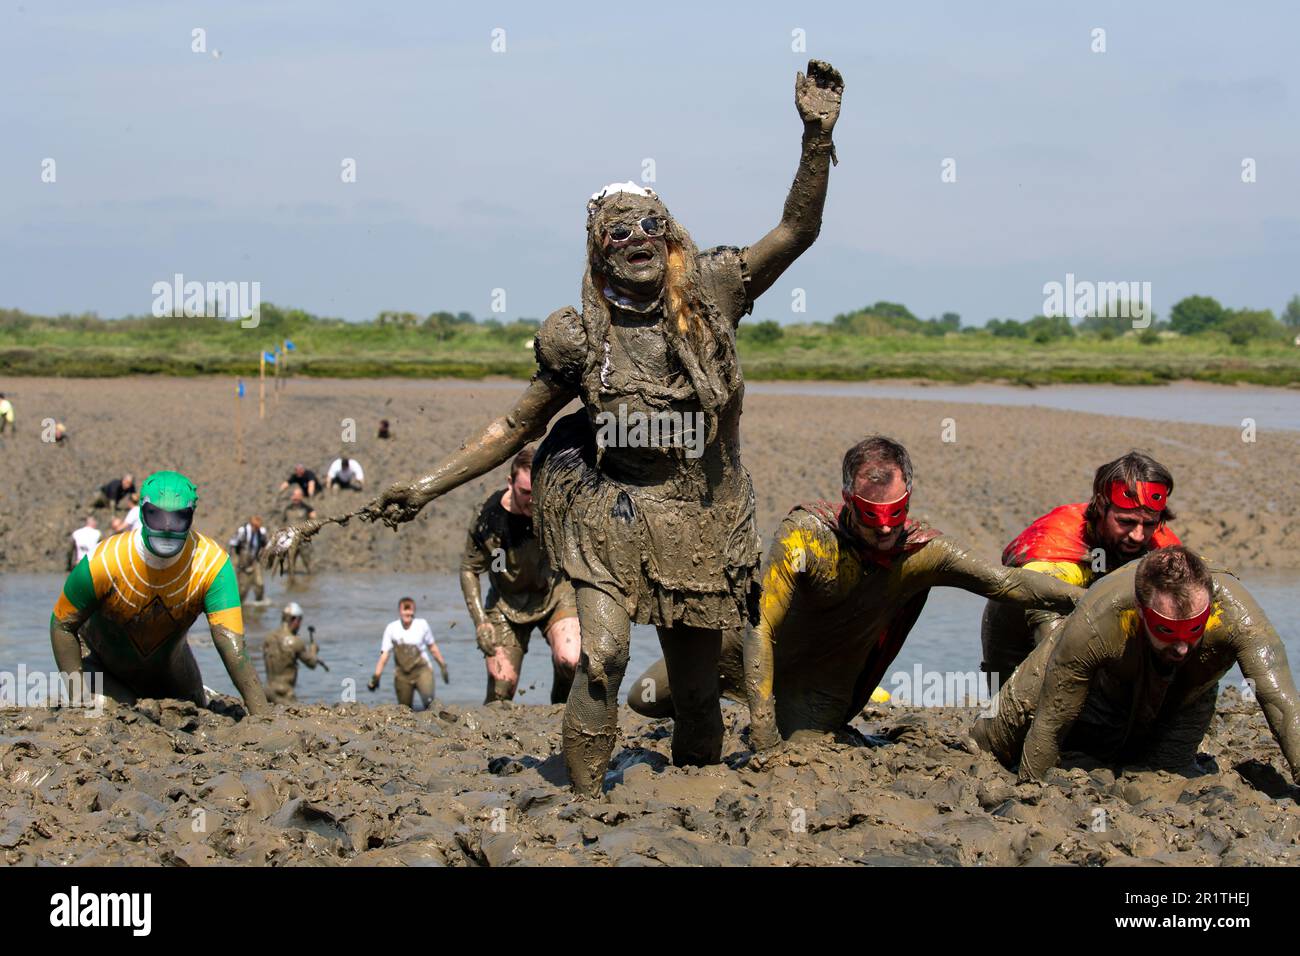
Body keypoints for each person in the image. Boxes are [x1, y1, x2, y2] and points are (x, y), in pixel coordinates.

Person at [268, 60, 846, 796]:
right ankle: (583, 807)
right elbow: (514, 427)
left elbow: (799, 227)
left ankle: (695, 798)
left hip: (701, 513)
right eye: (618, 231)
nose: (636, 237)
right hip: (614, 512)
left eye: (650, 225)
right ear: (598, 249)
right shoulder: (579, 339)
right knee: (601, 657)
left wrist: (815, 139)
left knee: (699, 694)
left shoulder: (715, 287)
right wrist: (420, 486)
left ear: (669, 235)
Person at [629, 436, 1086, 748]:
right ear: (848, 499)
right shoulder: (805, 535)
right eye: (872, 515)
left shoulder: (923, 551)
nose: (886, 529)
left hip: (822, 686)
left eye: (897, 513)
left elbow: (1005, 582)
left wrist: (1084, 600)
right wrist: (760, 725)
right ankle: (715, 712)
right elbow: (761, 626)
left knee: (804, 748)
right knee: (644, 698)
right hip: (744, 652)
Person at [973, 547, 1300, 783]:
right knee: (989, 742)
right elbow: (1051, 722)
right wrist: (1031, 788)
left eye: (1194, 629)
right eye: (1167, 630)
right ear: (1142, 613)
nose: (1182, 645)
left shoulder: (1237, 617)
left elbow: (1281, 703)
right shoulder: (1101, 617)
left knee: (1161, 775)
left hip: (1186, 696)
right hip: (1099, 681)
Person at [49, 470, 269, 715]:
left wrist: (262, 714)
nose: (166, 529)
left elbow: (231, 643)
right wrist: (78, 698)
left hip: (174, 670)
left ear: (190, 516)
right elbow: (61, 625)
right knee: (128, 715)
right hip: (101, 666)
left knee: (195, 709)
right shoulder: (104, 561)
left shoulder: (213, 564)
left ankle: (204, 693)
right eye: (157, 517)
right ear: (143, 514)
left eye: (177, 519)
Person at [981, 452, 1181, 688]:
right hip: (1019, 637)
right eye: (1125, 522)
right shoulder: (1060, 538)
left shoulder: (1162, 546)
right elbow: (1037, 590)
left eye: (1149, 524)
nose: (1137, 535)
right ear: (1100, 508)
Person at [461, 446, 580, 704]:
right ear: (510, 483)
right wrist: (480, 621)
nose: (533, 500)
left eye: (537, 491)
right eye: (525, 492)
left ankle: (560, 709)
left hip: (554, 595)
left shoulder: (555, 506)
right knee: (501, 687)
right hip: (506, 604)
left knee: (570, 660)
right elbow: (470, 569)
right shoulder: (488, 516)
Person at [368, 597, 448, 711]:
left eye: (410, 609)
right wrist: (376, 676)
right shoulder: (392, 628)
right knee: (404, 711)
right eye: (405, 609)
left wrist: (442, 666)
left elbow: (433, 647)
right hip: (402, 675)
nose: (408, 612)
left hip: (422, 671)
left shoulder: (422, 625)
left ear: (414, 610)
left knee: (430, 705)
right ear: (399, 611)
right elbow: (384, 655)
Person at [262, 602, 321, 704]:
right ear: (296, 620)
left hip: (267, 691)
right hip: (285, 693)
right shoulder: (295, 642)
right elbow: (312, 663)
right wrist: (313, 650)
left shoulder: (268, 638)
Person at [228, 515, 269, 604]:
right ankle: (239, 604)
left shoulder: (261, 532)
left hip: (255, 560)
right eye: (254, 527)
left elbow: (266, 544)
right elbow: (232, 543)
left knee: (260, 584)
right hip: (243, 561)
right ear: (251, 524)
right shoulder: (243, 531)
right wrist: (231, 559)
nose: (256, 529)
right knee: (243, 588)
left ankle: (259, 602)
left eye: (258, 527)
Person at [280, 489, 317, 577]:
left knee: (308, 562)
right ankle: (291, 582)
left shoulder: (307, 508)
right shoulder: (287, 508)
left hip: (303, 540)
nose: (295, 497)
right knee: (290, 562)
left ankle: (311, 579)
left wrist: (309, 529)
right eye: (294, 495)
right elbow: (283, 522)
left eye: (297, 495)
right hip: (291, 540)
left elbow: (314, 520)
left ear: (301, 497)